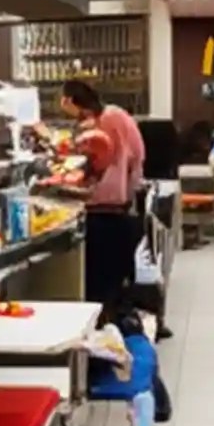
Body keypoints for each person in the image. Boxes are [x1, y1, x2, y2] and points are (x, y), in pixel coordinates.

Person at [59, 81, 144, 326]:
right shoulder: (121, 116)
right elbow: (138, 157)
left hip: (96, 212)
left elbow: (80, 169)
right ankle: (118, 328)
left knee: (96, 282)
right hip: (122, 210)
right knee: (117, 280)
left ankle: (101, 333)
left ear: (71, 101)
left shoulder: (92, 129)